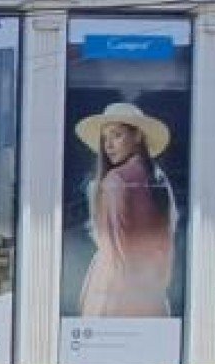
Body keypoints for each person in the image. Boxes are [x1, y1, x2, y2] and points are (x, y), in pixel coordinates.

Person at [75, 102, 176, 318]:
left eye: (116, 135)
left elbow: (117, 249)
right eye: (105, 139)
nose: (108, 145)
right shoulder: (159, 180)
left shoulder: (115, 180)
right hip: (152, 286)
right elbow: (167, 238)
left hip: (116, 285)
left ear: (137, 136)